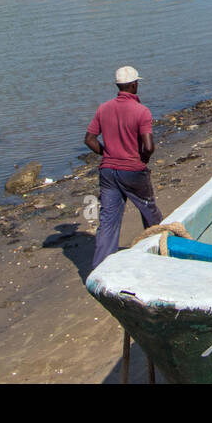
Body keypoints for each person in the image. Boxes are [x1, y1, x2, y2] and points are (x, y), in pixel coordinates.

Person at [85, 66, 162, 271]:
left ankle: (100, 269)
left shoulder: (103, 108)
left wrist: (106, 153)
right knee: (149, 212)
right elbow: (148, 146)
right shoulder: (141, 111)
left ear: (118, 85)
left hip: (108, 171)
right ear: (135, 84)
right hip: (133, 170)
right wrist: (142, 159)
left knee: (108, 220)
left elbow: (89, 139)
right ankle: (159, 253)